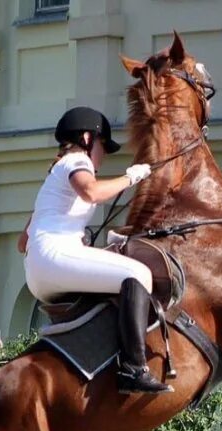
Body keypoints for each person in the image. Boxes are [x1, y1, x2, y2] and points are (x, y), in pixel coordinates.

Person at [17, 106, 172, 395]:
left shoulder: (53, 176)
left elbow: (22, 242)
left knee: (114, 279)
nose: (102, 157)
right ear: (88, 138)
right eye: (102, 147)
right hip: (54, 259)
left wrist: (79, 242)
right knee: (138, 273)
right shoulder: (76, 159)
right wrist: (131, 178)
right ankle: (133, 369)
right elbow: (92, 192)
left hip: (40, 272)